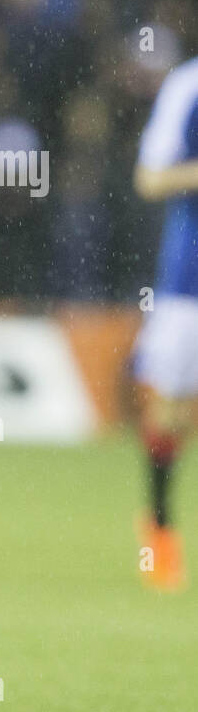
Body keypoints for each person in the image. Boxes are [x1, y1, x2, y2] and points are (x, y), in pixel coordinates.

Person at [131, 54, 198, 591]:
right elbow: (149, 179)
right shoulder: (187, 84)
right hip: (187, 281)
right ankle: (160, 527)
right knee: (171, 410)